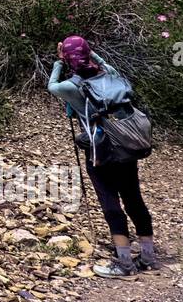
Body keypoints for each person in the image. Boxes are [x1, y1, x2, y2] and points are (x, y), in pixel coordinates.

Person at [48, 35, 159, 278]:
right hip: (126, 147)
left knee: (110, 203)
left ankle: (124, 263)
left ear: (67, 58)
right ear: (88, 53)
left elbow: (52, 86)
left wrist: (58, 62)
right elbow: (103, 63)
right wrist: (92, 54)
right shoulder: (110, 74)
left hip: (100, 152)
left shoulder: (71, 87)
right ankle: (148, 257)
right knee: (134, 198)